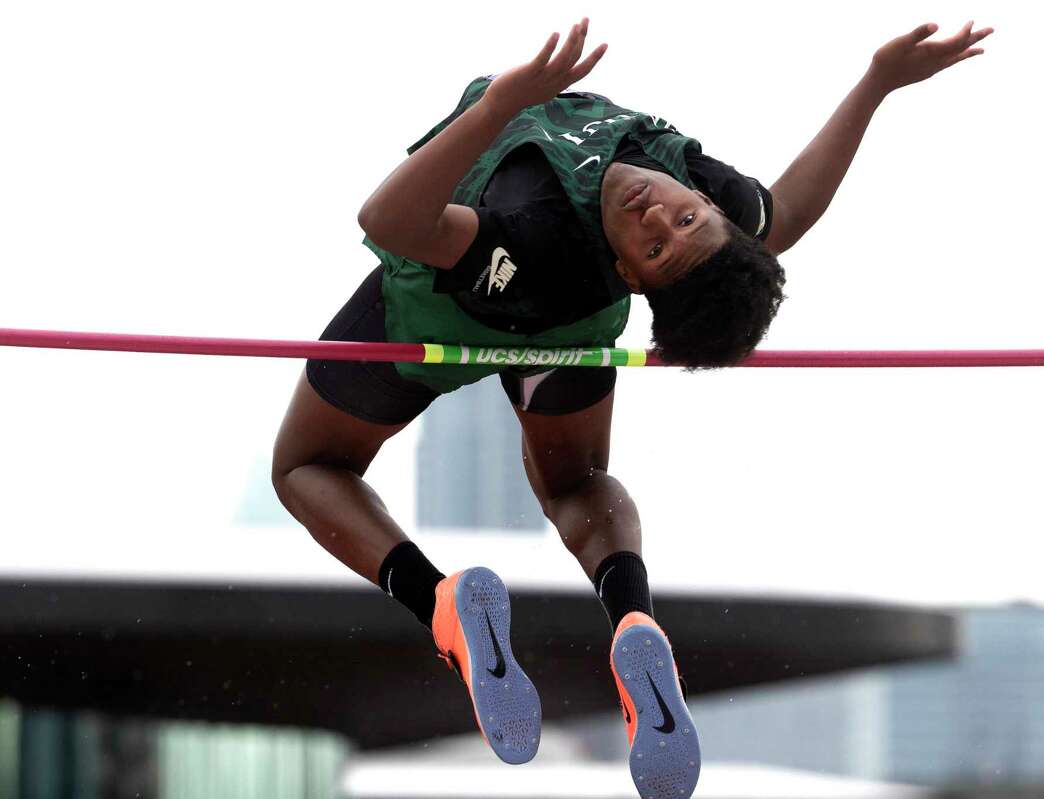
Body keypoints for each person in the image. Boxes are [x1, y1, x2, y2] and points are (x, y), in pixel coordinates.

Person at [271, 16, 991, 797]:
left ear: (629, 271)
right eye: (683, 220)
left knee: (308, 465)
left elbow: (391, 222)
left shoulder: (539, 226)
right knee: (576, 486)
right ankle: (633, 620)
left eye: (653, 247)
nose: (658, 213)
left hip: (453, 312)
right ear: (711, 207)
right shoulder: (720, 206)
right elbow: (785, 216)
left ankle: (440, 602)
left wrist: (496, 108)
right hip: (571, 329)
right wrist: (876, 84)